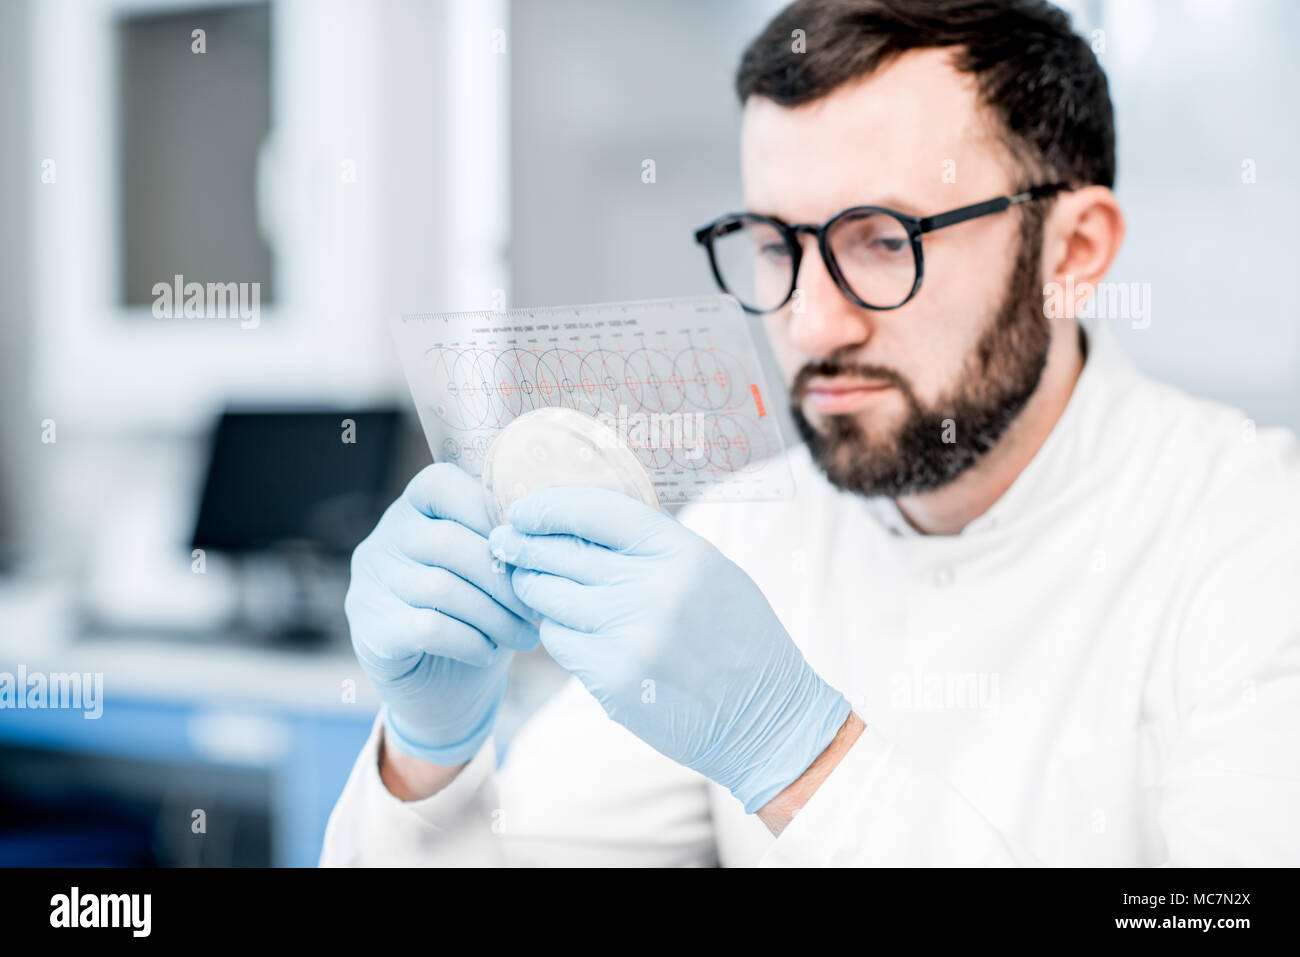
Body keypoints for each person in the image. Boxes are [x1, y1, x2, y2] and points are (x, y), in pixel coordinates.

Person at [321, 0, 1300, 866]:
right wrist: (428, 757)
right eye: (776, 246)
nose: (811, 326)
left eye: (884, 242)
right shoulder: (749, 538)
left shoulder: (1256, 539)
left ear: (1074, 252)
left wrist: (798, 755)